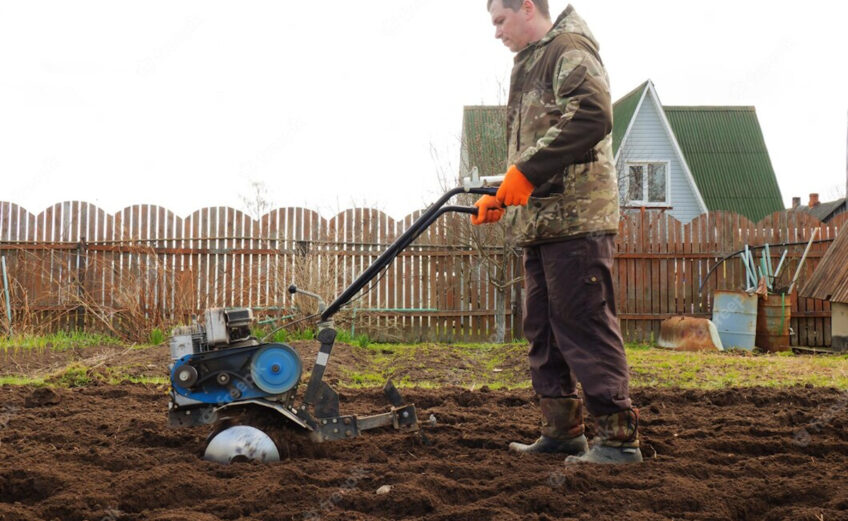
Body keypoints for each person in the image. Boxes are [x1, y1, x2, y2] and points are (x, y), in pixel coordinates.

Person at [472, 0, 642, 464]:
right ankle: (563, 431)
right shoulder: (530, 63)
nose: (496, 33)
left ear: (528, 7)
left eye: (500, 21)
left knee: (583, 323)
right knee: (544, 331)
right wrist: (501, 193)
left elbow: (592, 115)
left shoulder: (568, 48)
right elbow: (541, 143)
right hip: (544, 222)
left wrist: (525, 173)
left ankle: (617, 439)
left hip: (578, 221)